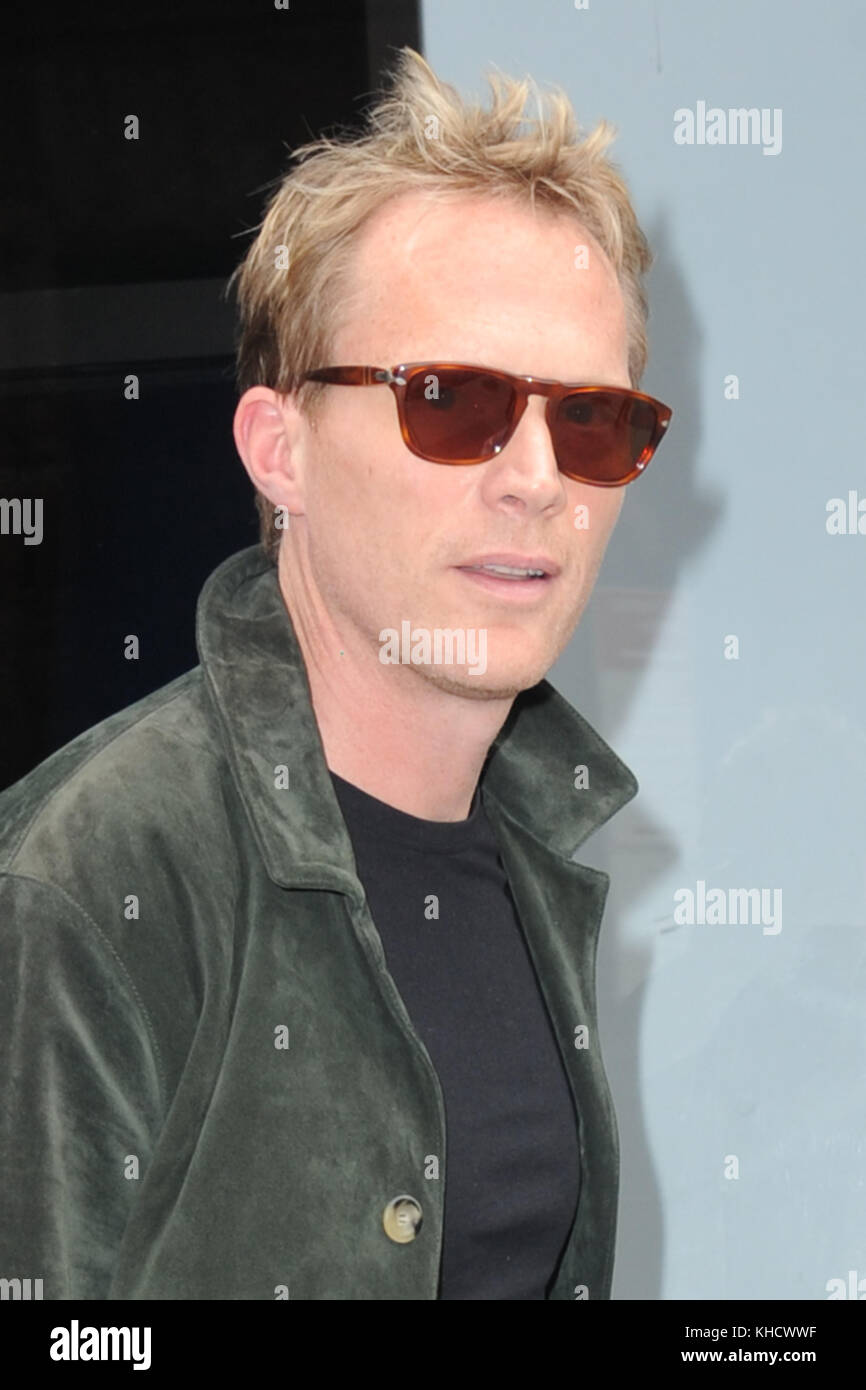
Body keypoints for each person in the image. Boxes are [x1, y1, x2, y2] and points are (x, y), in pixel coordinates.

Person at [0, 46, 671, 1300]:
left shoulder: (536, 850)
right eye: (451, 400)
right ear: (279, 450)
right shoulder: (82, 880)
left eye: (589, 420)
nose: (534, 478)